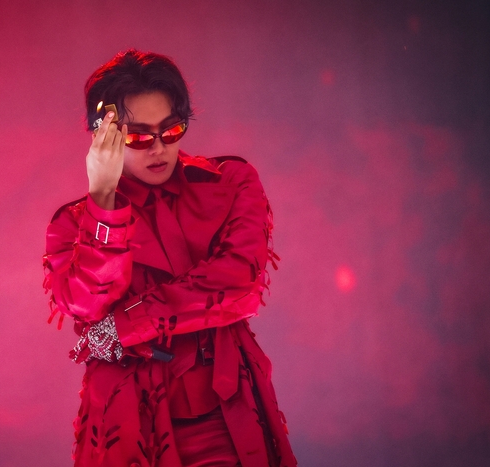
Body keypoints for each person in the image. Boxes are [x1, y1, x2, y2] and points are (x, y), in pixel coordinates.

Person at [43, 49, 297, 467]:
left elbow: (239, 284)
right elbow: (86, 304)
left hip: (228, 411)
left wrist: (125, 325)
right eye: (139, 137)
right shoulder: (74, 224)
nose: (158, 148)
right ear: (103, 136)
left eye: (172, 130)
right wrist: (103, 199)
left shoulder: (231, 182)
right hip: (130, 420)